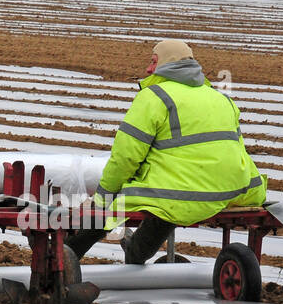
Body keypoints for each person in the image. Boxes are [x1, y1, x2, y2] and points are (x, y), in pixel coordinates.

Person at [66, 39, 267, 264]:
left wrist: (103, 197)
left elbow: (125, 158)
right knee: (166, 201)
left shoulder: (155, 97)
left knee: (114, 206)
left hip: (179, 196)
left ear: (168, 63)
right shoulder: (222, 98)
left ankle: (66, 257)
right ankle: (134, 252)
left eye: (153, 62)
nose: (148, 69)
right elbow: (237, 151)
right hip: (228, 192)